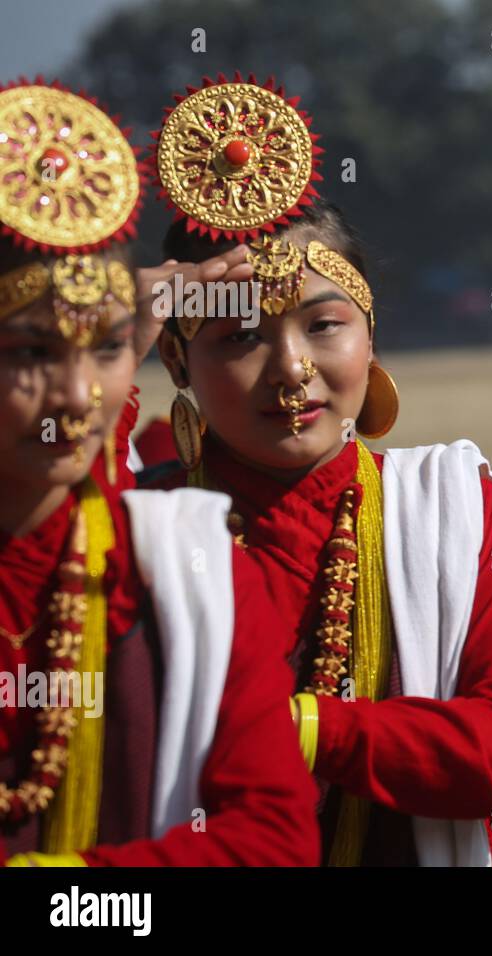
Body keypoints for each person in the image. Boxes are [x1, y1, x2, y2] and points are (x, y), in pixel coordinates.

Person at [141, 73, 492, 866]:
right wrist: (127, 305)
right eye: (240, 337)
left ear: (370, 337)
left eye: (324, 325)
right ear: (175, 357)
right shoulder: (136, 523)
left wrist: (300, 726)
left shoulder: (457, 514)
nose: (292, 369)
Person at [0, 78, 318, 866]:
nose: (78, 394)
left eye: (108, 347)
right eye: (33, 354)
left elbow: (272, 846)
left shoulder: (185, 567)